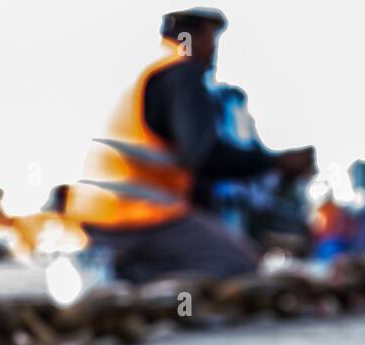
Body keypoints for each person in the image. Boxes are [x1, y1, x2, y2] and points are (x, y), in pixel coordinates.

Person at [65, 7, 316, 284]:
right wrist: (274, 162)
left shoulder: (151, 70)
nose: (213, 49)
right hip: (138, 215)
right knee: (239, 266)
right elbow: (202, 156)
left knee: (215, 245)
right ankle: (127, 273)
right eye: (212, 37)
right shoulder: (183, 73)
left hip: (99, 214)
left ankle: (123, 266)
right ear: (193, 35)